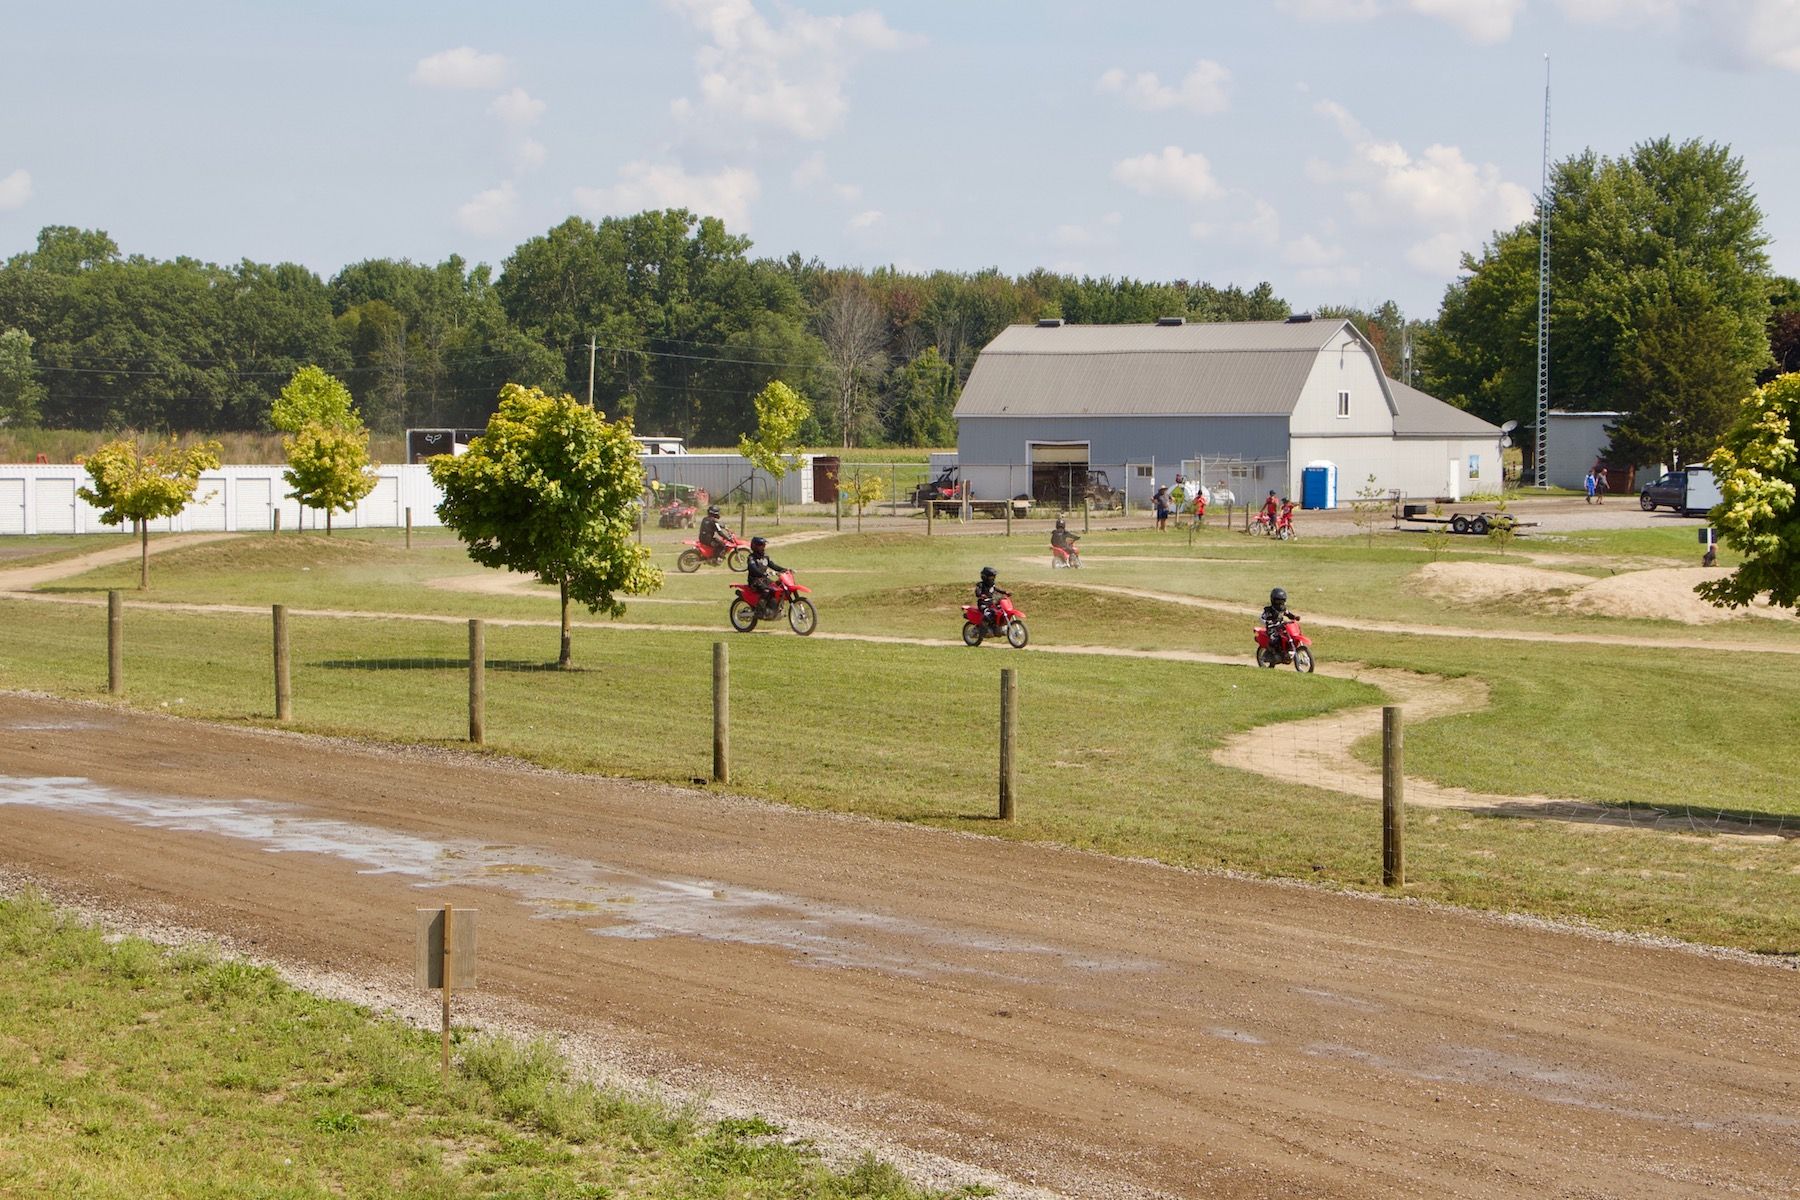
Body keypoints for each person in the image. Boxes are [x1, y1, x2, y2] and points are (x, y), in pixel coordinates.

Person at [745, 536, 785, 614]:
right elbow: (753, 568)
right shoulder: (751, 558)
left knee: (777, 587)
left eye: (764, 545)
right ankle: (759, 610)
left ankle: (772, 608)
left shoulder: (765, 557)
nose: (763, 547)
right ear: (755, 546)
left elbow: (773, 565)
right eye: (761, 545)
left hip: (764, 579)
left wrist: (784, 570)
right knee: (767, 590)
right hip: (754, 581)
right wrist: (763, 574)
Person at [1261, 586, 1298, 654]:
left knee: (1289, 635)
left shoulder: (1283, 609)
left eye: (1282, 601)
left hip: (1281, 626)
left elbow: (1288, 614)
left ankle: (1287, 650)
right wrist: (1268, 622)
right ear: (1273, 600)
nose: (1280, 603)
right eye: (1278, 601)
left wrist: (1294, 617)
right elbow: (1262, 617)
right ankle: (1271, 652)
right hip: (1272, 628)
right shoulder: (1269, 610)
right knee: (1274, 639)